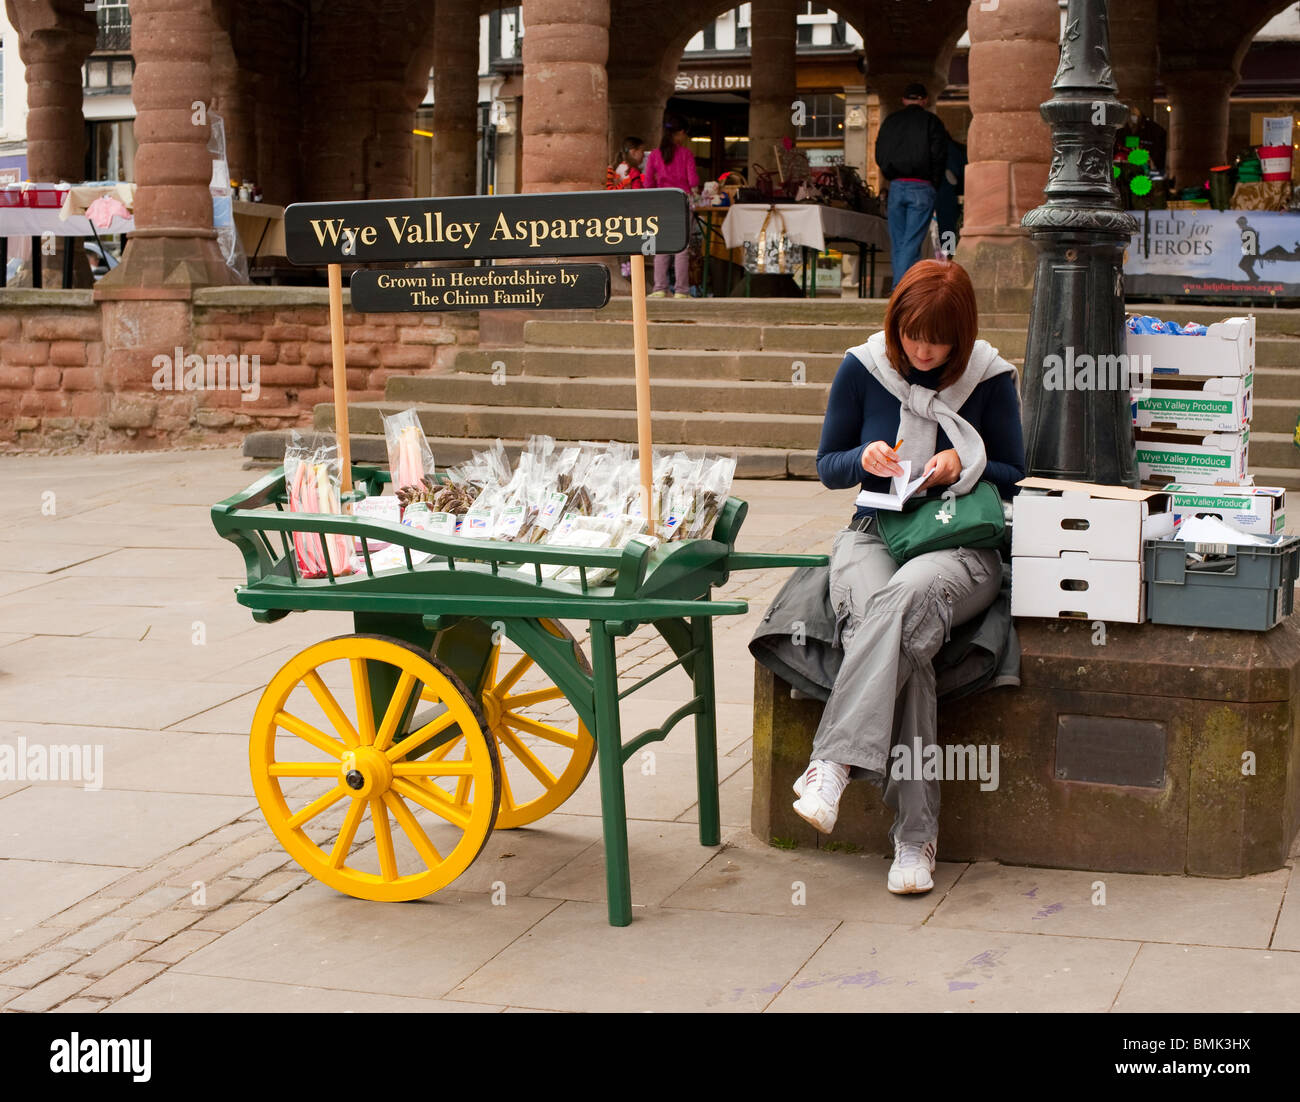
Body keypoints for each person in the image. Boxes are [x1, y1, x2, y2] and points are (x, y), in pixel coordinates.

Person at [792, 258, 1025, 894]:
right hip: (875, 533)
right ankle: (915, 839)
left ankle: (832, 761)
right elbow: (827, 465)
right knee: (901, 639)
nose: (922, 350)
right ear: (895, 326)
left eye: (938, 338)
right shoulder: (863, 367)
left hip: (959, 542)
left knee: (901, 604)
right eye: (912, 335)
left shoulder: (990, 378)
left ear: (964, 335)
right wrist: (862, 458)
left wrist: (963, 462)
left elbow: (1017, 471)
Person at [874, 83, 949, 287]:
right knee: (911, 241)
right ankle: (902, 288)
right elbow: (940, 155)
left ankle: (901, 287)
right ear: (925, 100)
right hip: (922, 187)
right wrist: (934, 183)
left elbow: (880, 154)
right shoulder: (932, 122)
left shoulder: (891, 122)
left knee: (898, 242)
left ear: (904, 100)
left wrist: (890, 174)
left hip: (896, 186)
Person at [642, 113, 700, 298]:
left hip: (662, 201)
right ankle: (681, 290)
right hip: (682, 200)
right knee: (681, 248)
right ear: (681, 133)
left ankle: (660, 288)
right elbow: (693, 181)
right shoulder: (686, 154)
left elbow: (647, 183)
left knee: (661, 246)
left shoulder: (655, 155)